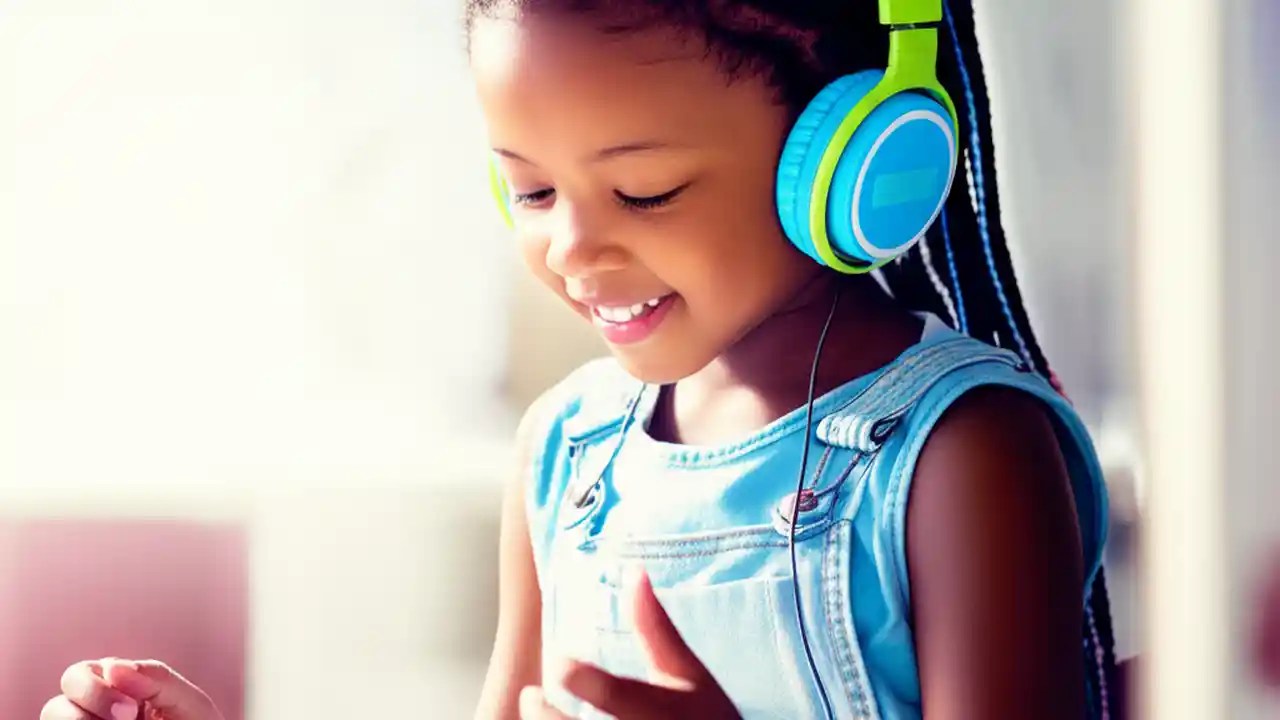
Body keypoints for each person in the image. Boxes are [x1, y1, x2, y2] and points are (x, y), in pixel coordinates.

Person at [43, 1, 1119, 718]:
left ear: (855, 161)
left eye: (643, 192)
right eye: (530, 190)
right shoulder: (565, 450)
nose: (570, 249)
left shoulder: (964, 455)